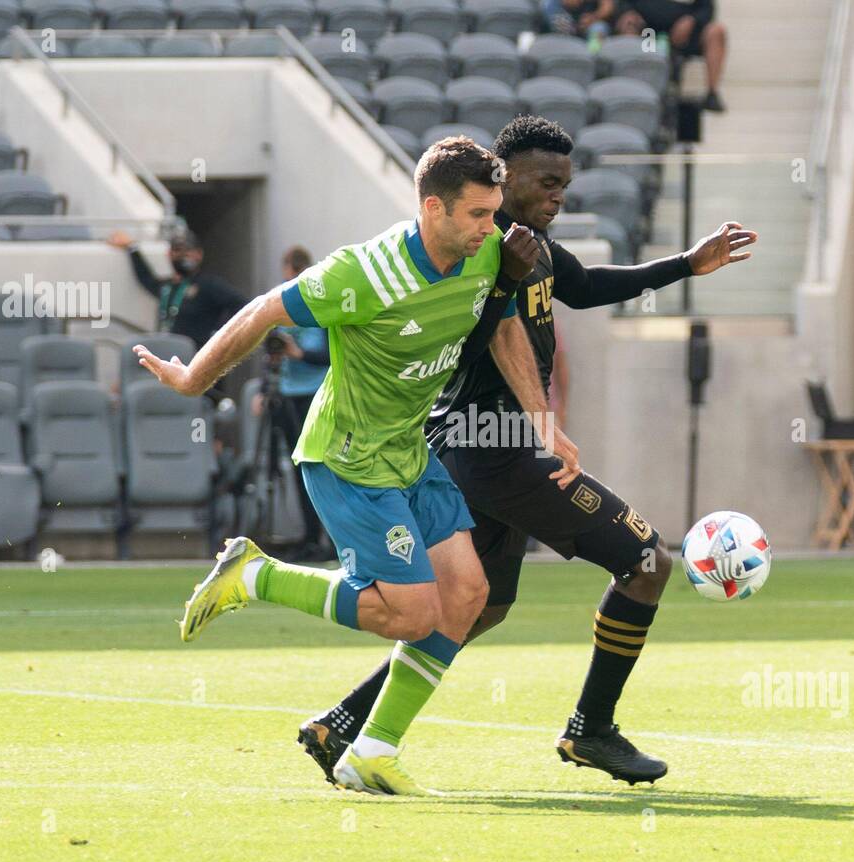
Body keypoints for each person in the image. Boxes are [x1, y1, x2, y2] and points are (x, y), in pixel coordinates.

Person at [299, 115, 757, 786]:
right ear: (501, 178)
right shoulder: (473, 254)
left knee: (477, 607)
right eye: (546, 182)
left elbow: (590, 286)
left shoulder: (533, 247)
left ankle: (342, 723)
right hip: (497, 449)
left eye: (565, 185)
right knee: (648, 562)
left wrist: (687, 264)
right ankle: (590, 730)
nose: (558, 195)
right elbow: (467, 338)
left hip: (484, 455)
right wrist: (508, 281)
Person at [132, 137, 574, 796]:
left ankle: (373, 751)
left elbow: (506, 324)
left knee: (468, 597)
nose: (493, 227)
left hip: (408, 451)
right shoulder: (363, 273)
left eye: (494, 212)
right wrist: (195, 379)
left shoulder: (483, 257)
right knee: (413, 614)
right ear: (433, 208)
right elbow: (262, 311)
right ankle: (257, 576)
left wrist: (541, 418)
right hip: (348, 460)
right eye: (479, 214)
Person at [249, 246, 333, 560]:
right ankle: (309, 537)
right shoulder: (282, 308)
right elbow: (271, 353)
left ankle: (328, 540)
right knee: (297, 468)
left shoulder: (323, 309)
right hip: (286, 394)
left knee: (319, 468)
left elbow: (332, 355)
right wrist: (262, 387)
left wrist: (301, 354)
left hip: (315, 394)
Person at [108, 230, 249, 352]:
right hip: (169, 354)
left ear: (199, 254)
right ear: (169, 254)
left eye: (188, 251)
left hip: (200, 356)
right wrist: (132, 248)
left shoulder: (209, 285)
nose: (183, 255)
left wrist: (220, 334)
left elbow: (242, 304)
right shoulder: (167, 287)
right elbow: (145, 277)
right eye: (177, 251)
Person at [617, 0, 728, 111]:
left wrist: (692, 20)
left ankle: (711, 94)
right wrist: (628, 12)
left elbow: (707, 9)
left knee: (716, 31)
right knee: (627, 27)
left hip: (685, 32)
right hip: (646, 29)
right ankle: (628, 91)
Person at [544, 0, 616, 41]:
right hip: (567, 22)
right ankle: (565, 43)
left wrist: (593, 18)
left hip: (591, 24)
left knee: (599, 29)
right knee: (549, 3)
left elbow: (607, 7)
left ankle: (595, 57)